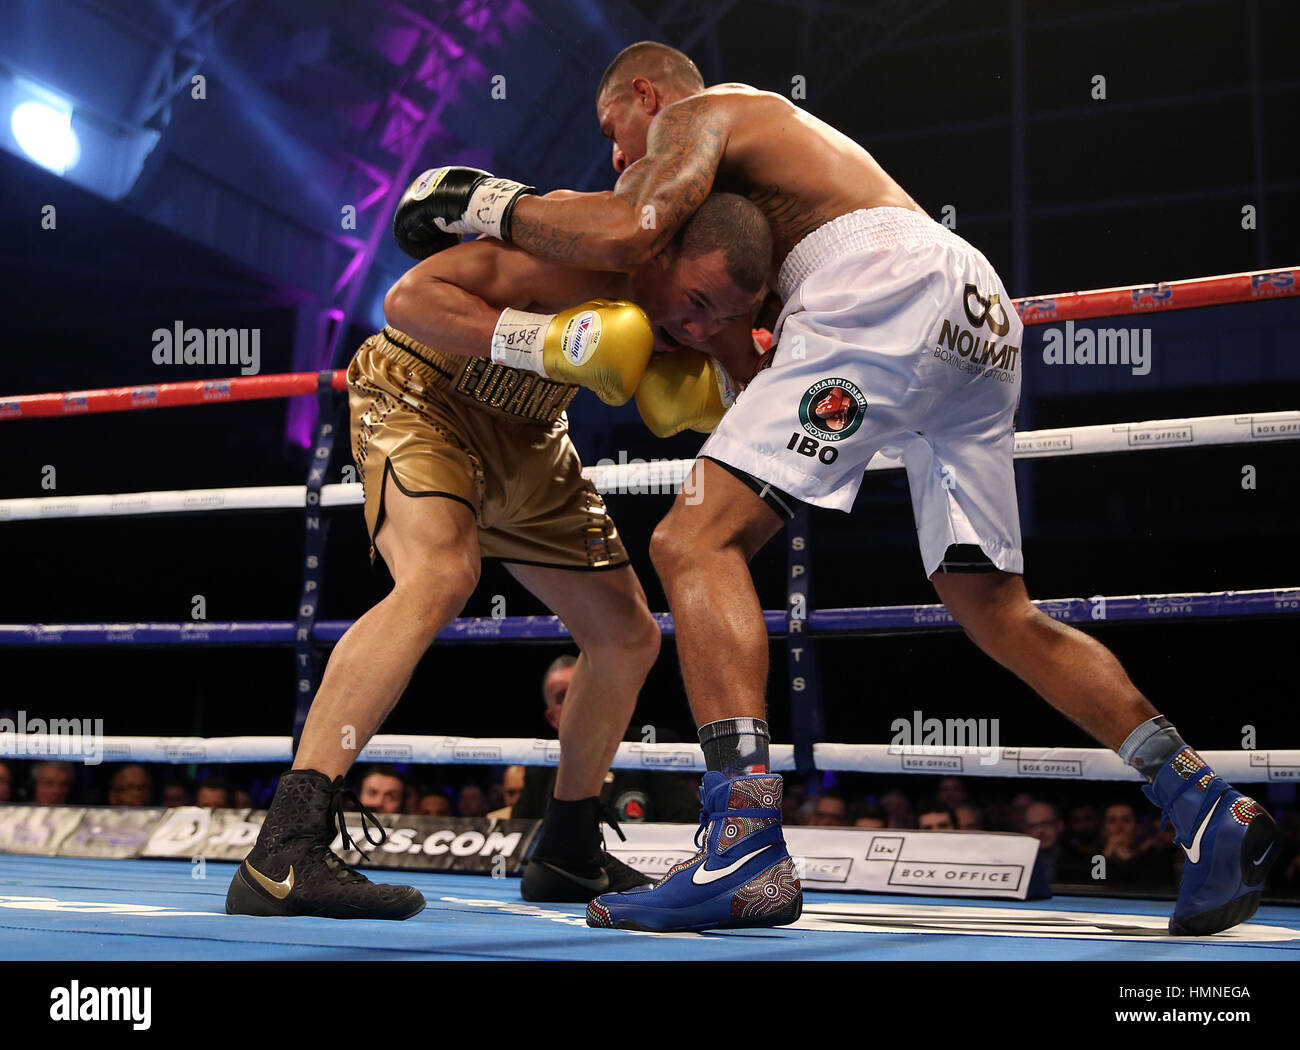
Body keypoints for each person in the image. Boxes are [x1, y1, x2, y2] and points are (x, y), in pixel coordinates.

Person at [416, 39, 1278, 935]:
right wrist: (710, 353)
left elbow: (625, 227)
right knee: (991, 605)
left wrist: (486, 206)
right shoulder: (757, 196)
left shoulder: (701, 115)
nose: (616, 157)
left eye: (612, 130)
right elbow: (752, 385)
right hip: (974, 313)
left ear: (646, 94)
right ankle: (1208, 807)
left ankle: (743, 845)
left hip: (882, 283)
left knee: (690, 539)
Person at [225, 188, 773, 920]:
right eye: (697, 299)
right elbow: (409, 299)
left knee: (627, 636)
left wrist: (743, 378)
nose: (701, 324)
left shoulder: (707, 313)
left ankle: (567, 847)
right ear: (664, 253)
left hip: (533, 439)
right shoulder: (586, 245)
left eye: (723, 315)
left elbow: (752, 387)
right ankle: (285, 847)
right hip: (425, 400)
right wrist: (537, 341)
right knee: (441, 575)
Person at [512, 655, 699, 825]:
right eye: (563, 697)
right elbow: (519, 836)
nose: (576, 702)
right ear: (552, 718)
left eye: (582, 690)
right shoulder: (539, 767)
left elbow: (683, 824)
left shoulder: (651, 746)